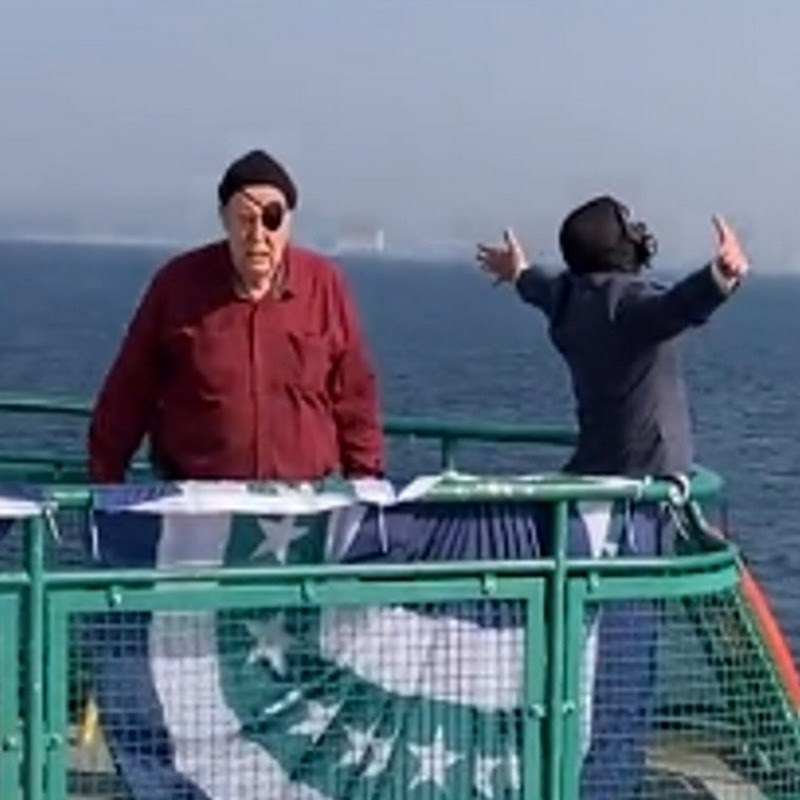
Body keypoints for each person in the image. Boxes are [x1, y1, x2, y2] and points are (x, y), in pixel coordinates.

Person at [88, 149, 385, 483]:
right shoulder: (177, 286)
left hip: (303, 500)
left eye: (271, 219)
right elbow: (130, 389)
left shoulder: (325, 286)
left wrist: (366, 479)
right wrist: (104, 476)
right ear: (224, 220)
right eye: (245, 219)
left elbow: (355, 394)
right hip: (198, 500)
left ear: (289, 223)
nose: (258, 235)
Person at [476, 195, 749, 478]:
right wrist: (721, 275)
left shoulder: (566, 296)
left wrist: (518, 272)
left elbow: (537, 286)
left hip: (594, 468)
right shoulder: (627, 306)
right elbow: (678, 305)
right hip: (647, 480)